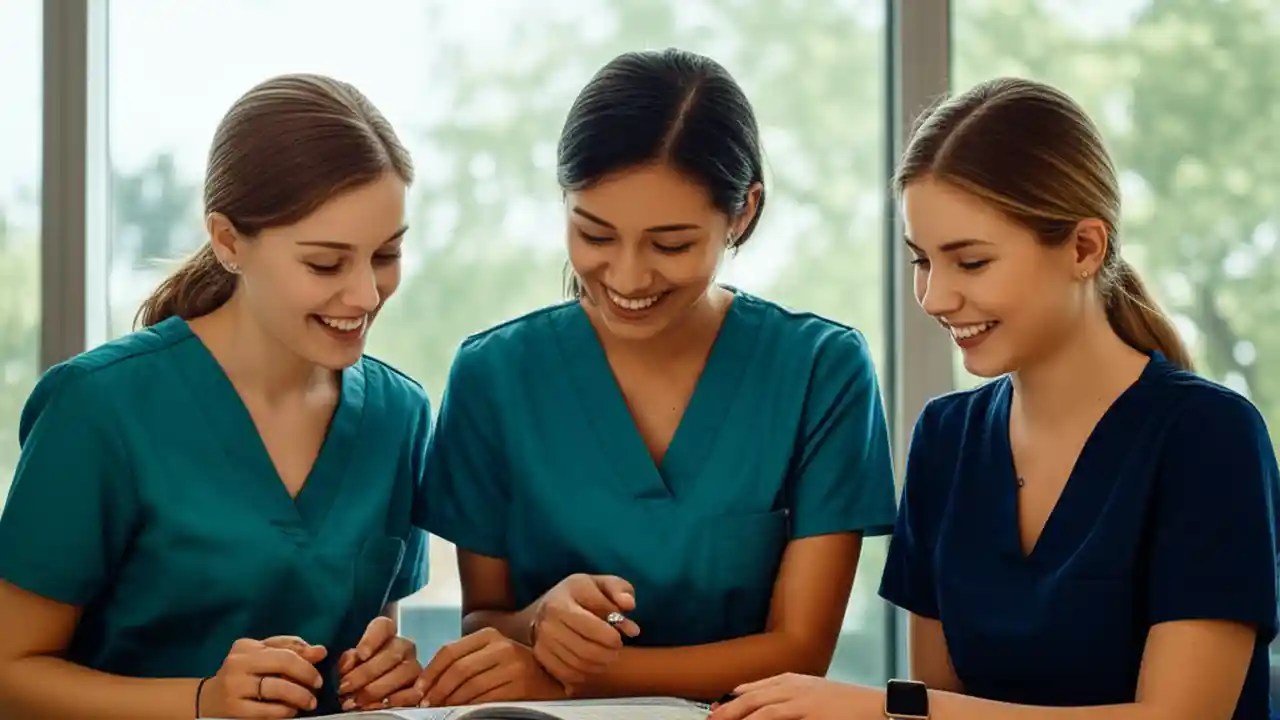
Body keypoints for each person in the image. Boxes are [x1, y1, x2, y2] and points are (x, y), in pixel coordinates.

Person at [711, 77, 1279, 720]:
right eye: (922, 261)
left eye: (972, 262)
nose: (935, 297)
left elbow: (1179, 718)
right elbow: (942, 704)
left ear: (1084, 248)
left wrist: (890, 711)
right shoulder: (945, 439)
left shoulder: (1209, 437)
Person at [413, 47, 897, 707]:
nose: (628, 276)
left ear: (743, 213)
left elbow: (800, 650)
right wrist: (541, 620)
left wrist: (577, 676)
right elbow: (485, 623)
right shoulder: (492, 375)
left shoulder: (821, 370)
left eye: (671, 245)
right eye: (595, 235)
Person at [0, 74, 433, 719]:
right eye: (325, 263)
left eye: (387, 254)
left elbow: (371, 645)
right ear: (228, 242)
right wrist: (201, 702)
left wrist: (384, 673)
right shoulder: (97, 409)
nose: (367, 295)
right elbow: (9, 677)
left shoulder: (400, 417)